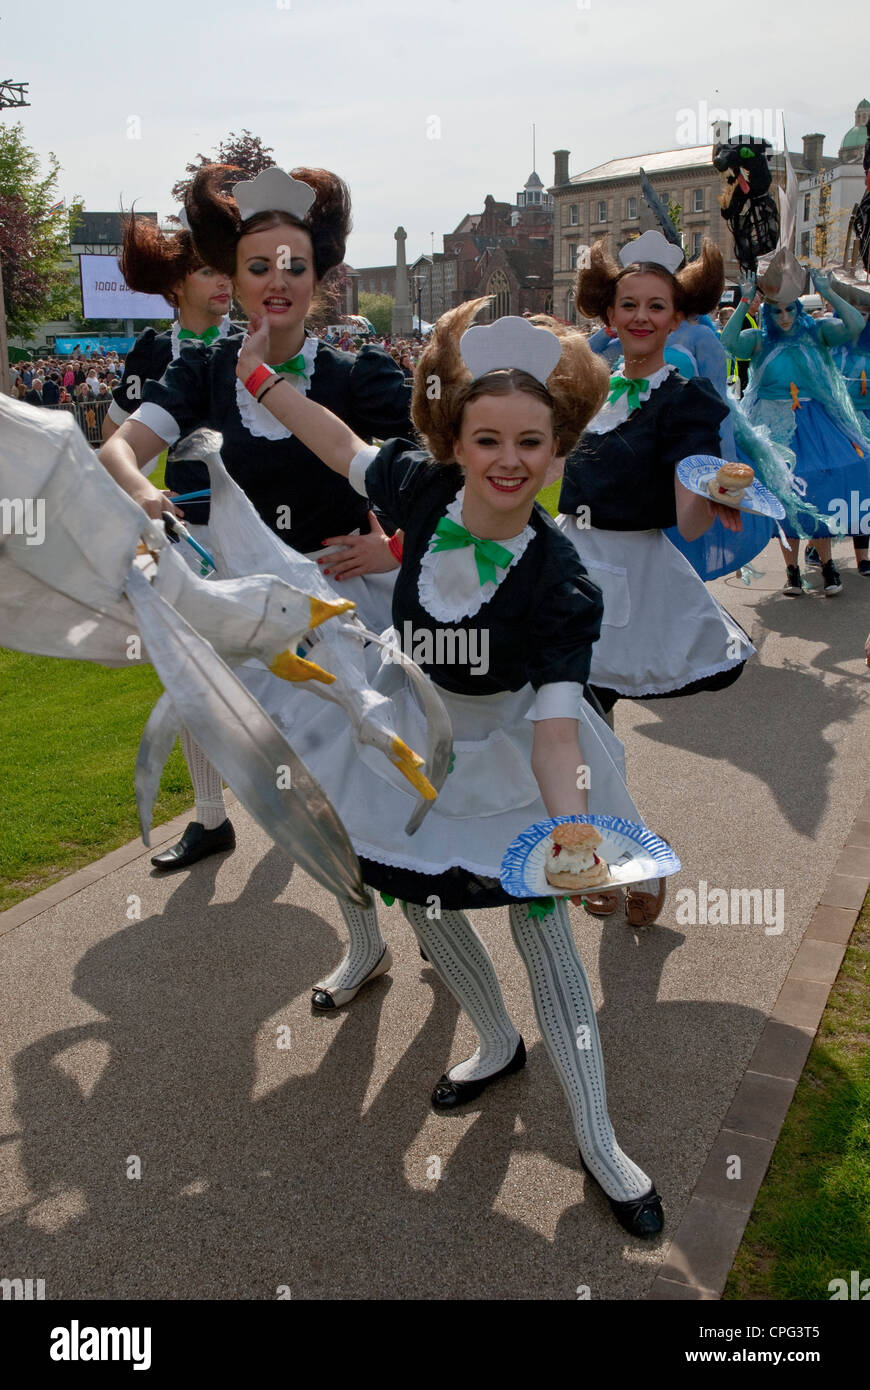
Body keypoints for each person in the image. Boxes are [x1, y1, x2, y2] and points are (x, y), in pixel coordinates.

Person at [222, 296, 666, 1239]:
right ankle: (496, 1039)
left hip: (511, 757)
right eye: (488, 439)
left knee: (542, 932)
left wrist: (570, 833)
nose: (509, 461)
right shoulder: (420, 493)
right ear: (456, 443)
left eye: (531, 443)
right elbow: (337, 441)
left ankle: (600, 1137)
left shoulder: (563, 584)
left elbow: (554, 734)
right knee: (421, 902)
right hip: (415, 747)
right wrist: (259, 377)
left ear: (557, 450)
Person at [99, 164, 412, 869]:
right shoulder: (204, 371)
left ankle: (433, 914)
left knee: (387, 776)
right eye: (259, 265)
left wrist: (393, 547)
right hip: (256, 613)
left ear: (317, 278)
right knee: (310, 798)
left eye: (295, 266)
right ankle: (362, 938)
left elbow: (445, 486)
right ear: (232, 280)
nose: (279, 278)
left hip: (349, 609)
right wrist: (143, 491)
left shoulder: (359, 375)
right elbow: (121, 447)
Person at [556, 232, 754, 924]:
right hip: (561, 570)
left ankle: (619, 852)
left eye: (656, 306)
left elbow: (689, 523)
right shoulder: (583, 390)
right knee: (578, 727)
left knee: (585, 727)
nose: (640, 317)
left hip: (628, 584)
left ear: (677, 317)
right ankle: (625, 852)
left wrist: (716, 491)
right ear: (608, 315)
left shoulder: (686, 401)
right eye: (628, 305)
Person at [721, 255, 869, 595]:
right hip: (772, 426)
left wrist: (828, 293)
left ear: (799, 308)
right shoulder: (759, 339)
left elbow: (855, 326)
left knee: (819, 489)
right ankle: (792, 572)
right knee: (782, 494)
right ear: (767, 311)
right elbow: (728, 343)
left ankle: (829, 566)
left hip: (816, 423)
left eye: (790, 309)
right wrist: (744, 299)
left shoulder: (816, 332)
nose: (785, 317)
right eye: (777, 310)